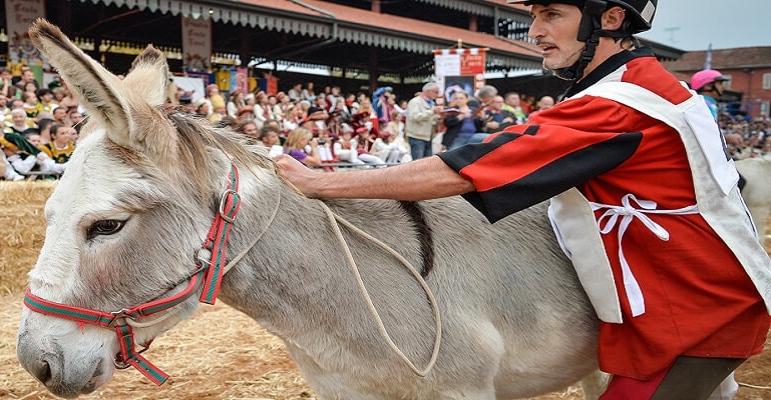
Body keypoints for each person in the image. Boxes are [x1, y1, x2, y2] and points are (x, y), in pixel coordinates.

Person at [276, 1, 771, 398]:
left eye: (552, 14)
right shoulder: (641, 86)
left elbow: (465, 170)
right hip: (682, 288)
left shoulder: (617, 106)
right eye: (534, 15)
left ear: (611, 19)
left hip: (696, 305)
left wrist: (323, 183)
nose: (534, 30)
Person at [403, 82, 443, 160]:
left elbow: (430, 119)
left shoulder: (431, 103)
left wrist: (439, 117)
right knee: (417, 163)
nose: (437, 95)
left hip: (428, 137)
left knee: (427, 163)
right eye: (436, 92)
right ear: (428, 91)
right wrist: (432, 112)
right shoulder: (415, 102)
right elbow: (415, 117)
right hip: (417, 137)